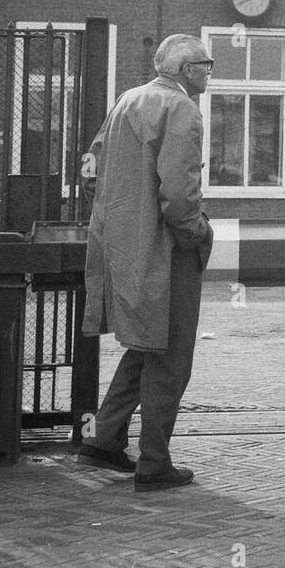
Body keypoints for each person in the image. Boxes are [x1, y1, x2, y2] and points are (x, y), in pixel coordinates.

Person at [78, 34, 215, 492]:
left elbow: (90, 170)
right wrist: (196, 234)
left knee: (143, 344)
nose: (209, 70)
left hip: (121, 244)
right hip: (166, 250)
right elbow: (179, 196)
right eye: (204, 63)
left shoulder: (126, 100)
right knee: (170, 356)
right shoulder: (182, 110)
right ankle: (154, 462)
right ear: (183, 70)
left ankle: (102, 437)